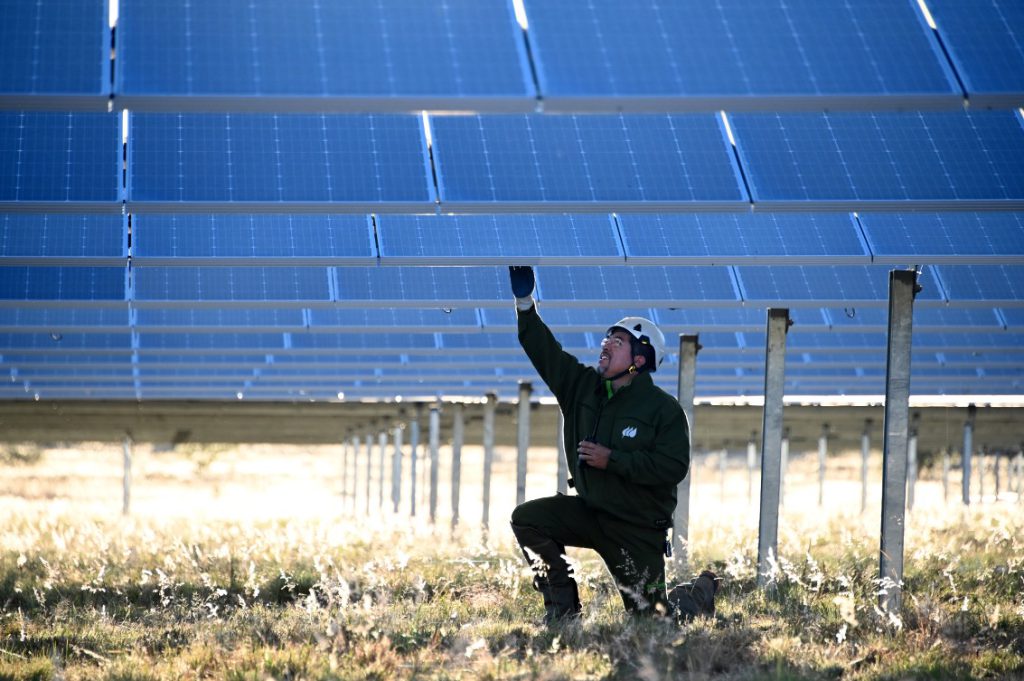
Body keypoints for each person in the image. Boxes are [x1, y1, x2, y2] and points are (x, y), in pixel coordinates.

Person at [507, 265, 718, 624]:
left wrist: (614, 460)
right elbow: (546, 353)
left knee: (653, 621)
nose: (606, 344)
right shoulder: (581, 388)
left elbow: (673, 466)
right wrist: (525, 303)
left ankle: (700, 592)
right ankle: (562, 612)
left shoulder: (662, 410)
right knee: (527, 520)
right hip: (591, 512)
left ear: (639, 360)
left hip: (636, 529)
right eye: (607, 339)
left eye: (618, 342)